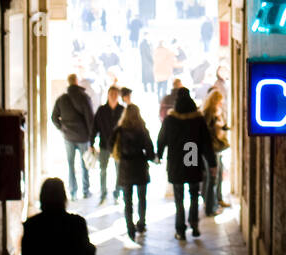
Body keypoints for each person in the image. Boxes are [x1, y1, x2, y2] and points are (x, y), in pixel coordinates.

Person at [156, 86, 216, 240]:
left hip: (176, 162)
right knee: (194, 195)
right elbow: (206, 143)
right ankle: (194, 224)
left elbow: (161, 139)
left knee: (179, 198)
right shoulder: (198, 119)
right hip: (193, 160)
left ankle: (180, 230)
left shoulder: (170, 120)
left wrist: (159, 155)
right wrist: (212, 163)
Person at [112, 103, 156, 241]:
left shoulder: (119, 129)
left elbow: (110, 144)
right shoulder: (142, 129)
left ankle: (130, 228)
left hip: (125, 167)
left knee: (128, 200)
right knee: (142, 198)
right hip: (140, 166)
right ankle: (141, 223)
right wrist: (151, 158)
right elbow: (149, 150)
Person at [51, 74, 95, 200]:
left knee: (71, 164)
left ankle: (73, 191)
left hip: (68, 137)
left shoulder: (62, 99)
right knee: (84, 164)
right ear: (77, 82)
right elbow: (90, 119)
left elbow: (54, 118)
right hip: (83, 137)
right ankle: (86, 190)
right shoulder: (84, 97)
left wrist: (62, 128)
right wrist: (91, 137)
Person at [92, 86, 125, 203]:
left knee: (119, 171)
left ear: (118, 96)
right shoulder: (101, 110)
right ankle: (103, 193)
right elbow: (94, 127)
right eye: (111, 93)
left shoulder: (122, 110)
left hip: (118, 146)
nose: (113, 96)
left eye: (116, 94)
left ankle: (117, 193)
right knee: (103, 170)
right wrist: (91, 143)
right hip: (104, 144)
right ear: (108, 95)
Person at [200, 89, 231, 214]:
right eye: (219, 101)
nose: (221, 103)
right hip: (211, 148)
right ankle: (210, 207)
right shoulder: (208, 113)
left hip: (217, 147)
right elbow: (205, 131)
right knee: (212, 177)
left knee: (216, 176)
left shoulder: (217, 112)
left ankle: (215, 202)